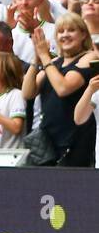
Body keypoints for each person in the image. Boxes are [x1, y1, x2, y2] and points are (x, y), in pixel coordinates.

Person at [22, 11, 97, 166]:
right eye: (61, 31)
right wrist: (36, 60)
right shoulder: (55, 61)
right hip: (49, 141)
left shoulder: (89, 57)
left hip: (75, 140)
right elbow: (28, 93)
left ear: (83, 34)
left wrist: (44, 57)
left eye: (71, 30)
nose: (65, 35)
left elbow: (63, 88)